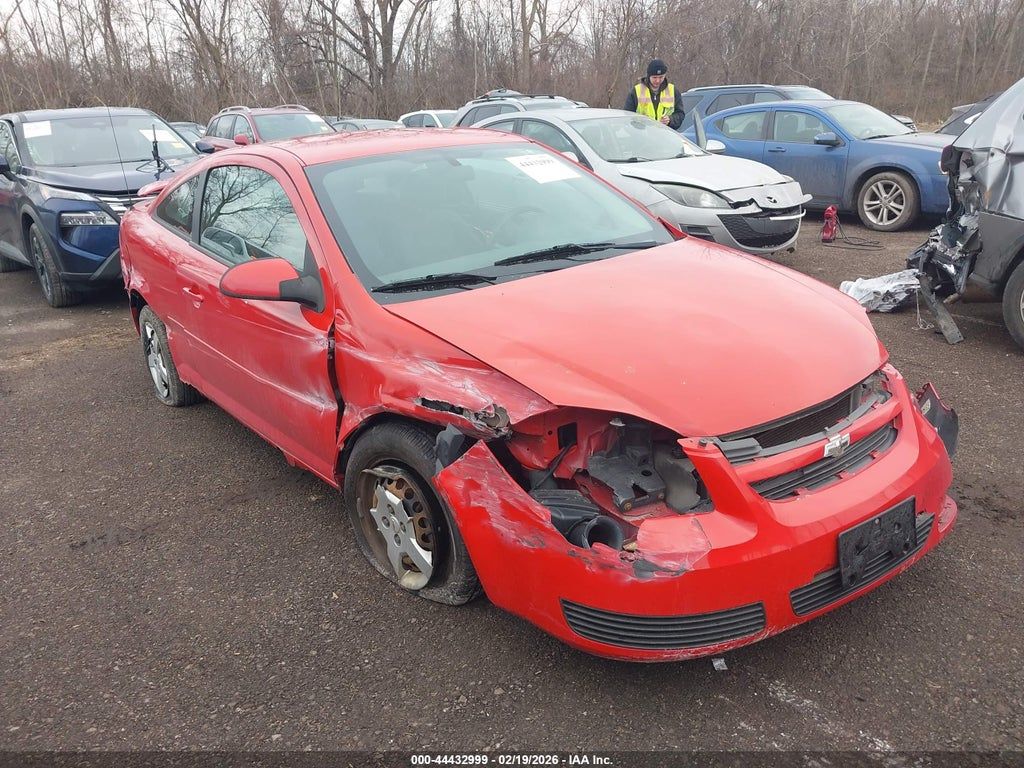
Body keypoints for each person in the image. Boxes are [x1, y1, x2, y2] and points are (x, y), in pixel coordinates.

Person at [624, 59, 685, 130]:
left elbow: (680, 114)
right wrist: (641, 124)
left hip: (666, 136)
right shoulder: (636, 91)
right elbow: (628, 116)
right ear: (648, 76)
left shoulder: (673, 90)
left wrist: (670, 120)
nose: (657, 80)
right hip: (643, 135)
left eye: (661, 77)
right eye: (654, 77)